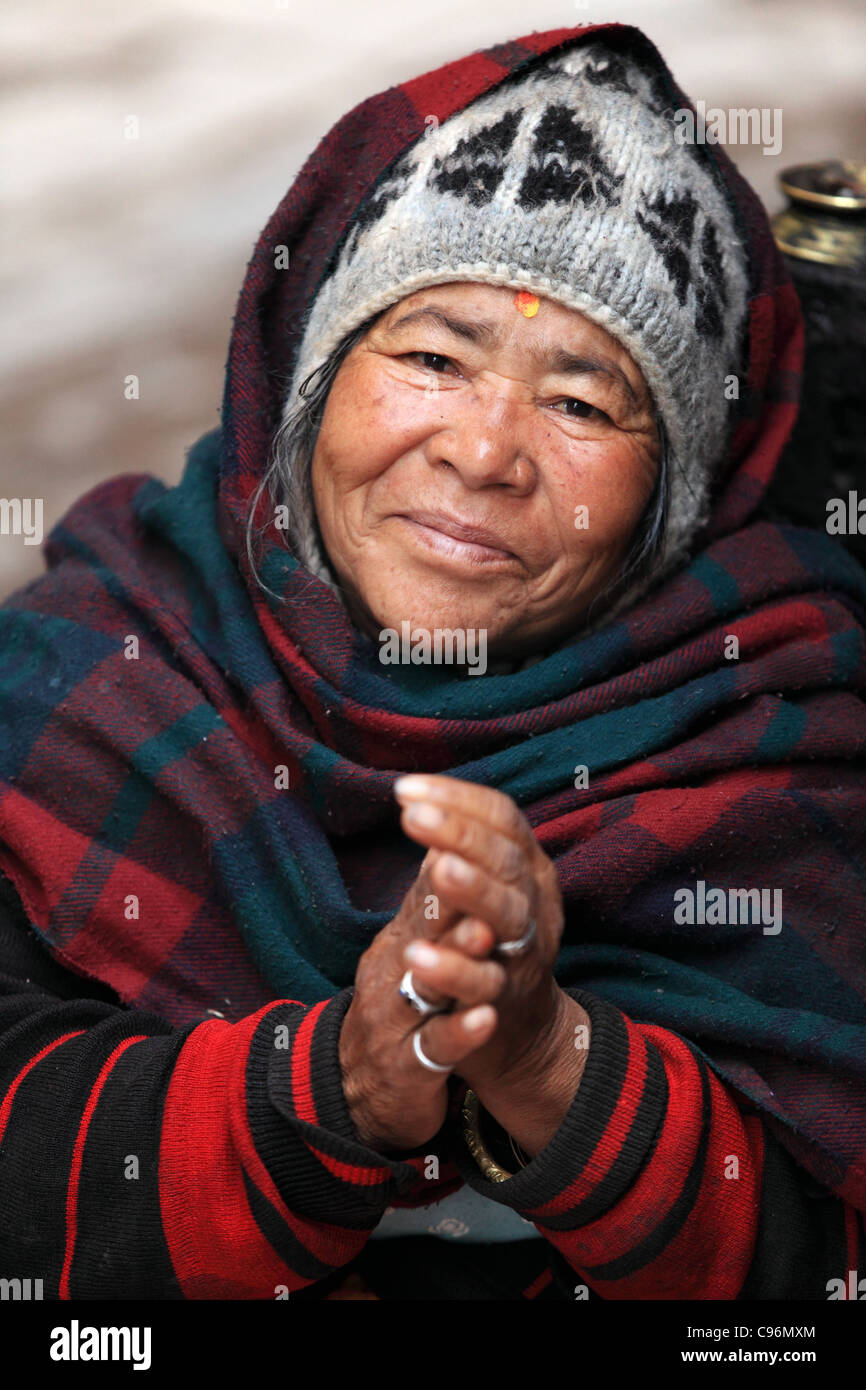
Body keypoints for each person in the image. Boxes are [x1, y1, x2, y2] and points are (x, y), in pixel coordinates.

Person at [1, 20, 865, 1302]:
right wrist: (336, 1085)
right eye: (429, 356)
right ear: (307, 380)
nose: (483, 451)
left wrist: (545, 1059)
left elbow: (811, 1271)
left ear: (675, 501)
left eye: (580, 401)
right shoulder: (96, 662)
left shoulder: (783, 742)